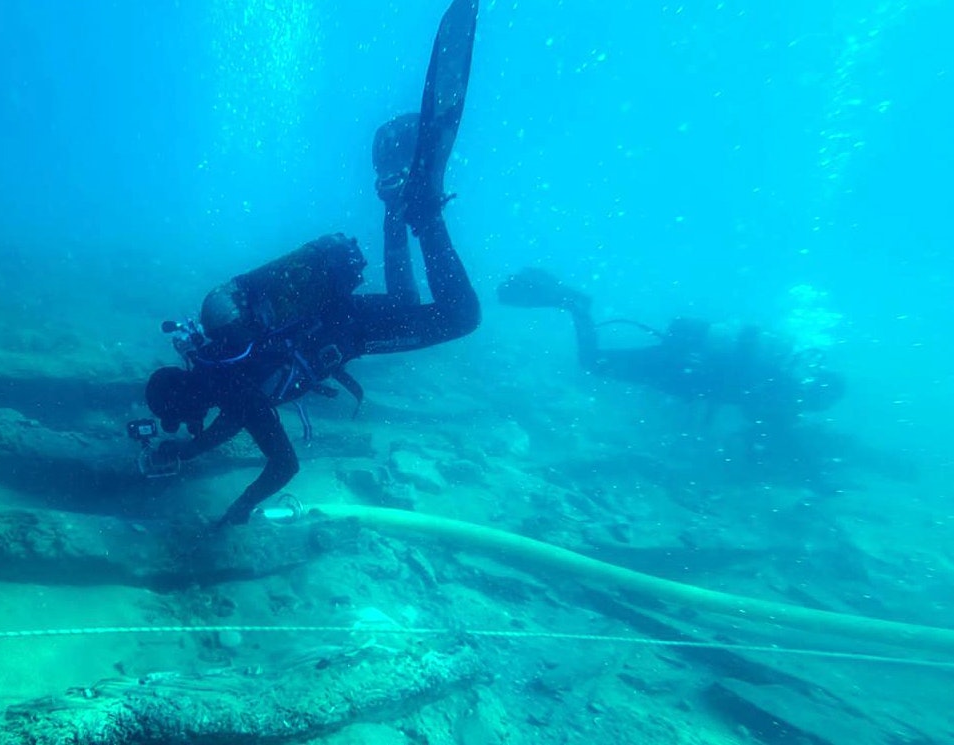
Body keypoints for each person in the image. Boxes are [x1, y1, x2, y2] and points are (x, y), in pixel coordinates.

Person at [143, 0, 481, 527]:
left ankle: (422, 212)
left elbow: (282, 465)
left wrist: (235, 514)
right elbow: (235, 423)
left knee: (460, 319)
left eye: (179, 422)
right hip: (343, 321)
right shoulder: (217, 366)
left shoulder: (228, 382)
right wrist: (187, 455)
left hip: (353, 330)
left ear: (186, 402)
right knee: (409, 305)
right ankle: (400, 212)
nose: (186, 426)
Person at [495, 267, 846, 430]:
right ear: (818, 392)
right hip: (681, 367)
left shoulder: (783, 378)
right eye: (821, 403)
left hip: (684, 369)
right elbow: (755, 413)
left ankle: (573, 304)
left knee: (596, 364)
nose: (816, 408)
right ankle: (576, 305)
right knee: (594, 363)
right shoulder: (785, 387)